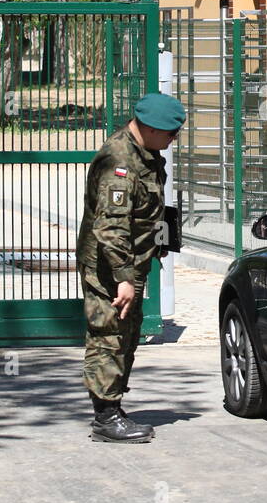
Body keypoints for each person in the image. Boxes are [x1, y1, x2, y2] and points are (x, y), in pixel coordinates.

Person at [76, 92, 185, 443]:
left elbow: (147, 209)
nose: (174, 140)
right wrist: (123, 279)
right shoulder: (119, 163)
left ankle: (113, 406)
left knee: (127, 334)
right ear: (151, 129)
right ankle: (105, 417)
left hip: (131, 262)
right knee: (109, 335)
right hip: (109, 265)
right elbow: (111, 227)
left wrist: (160, 242)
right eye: (171, 133)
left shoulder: (148, 155)